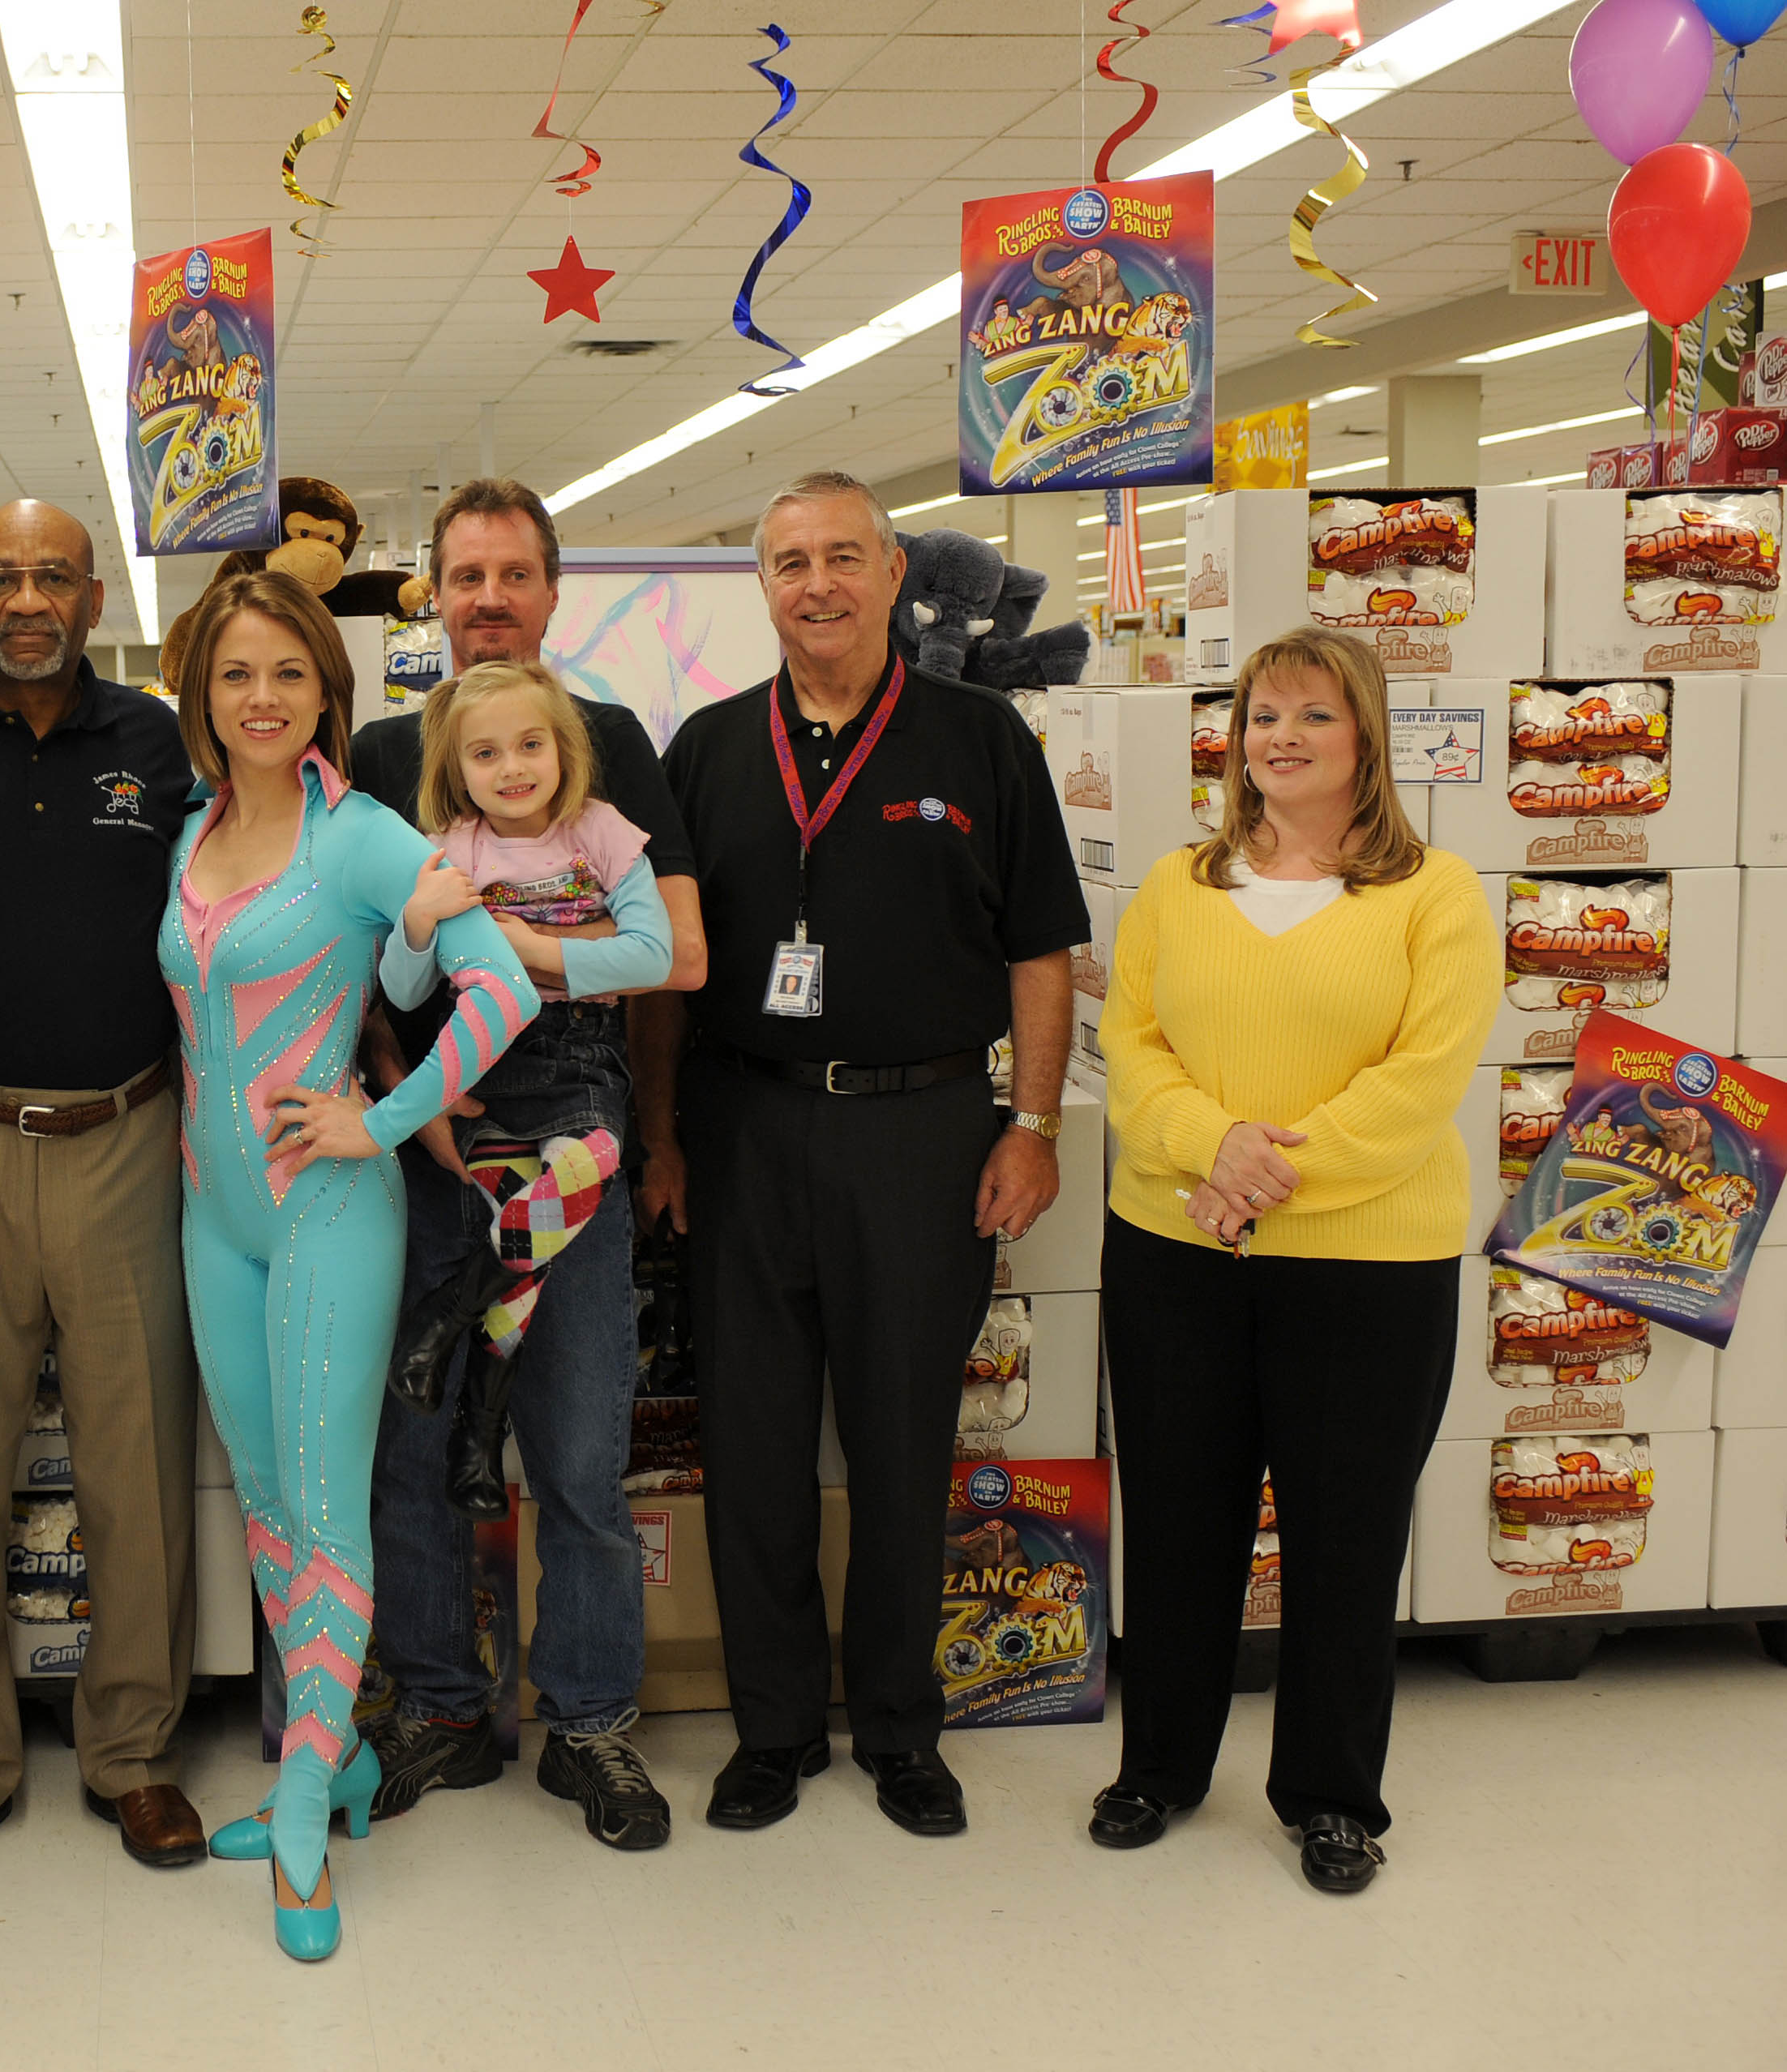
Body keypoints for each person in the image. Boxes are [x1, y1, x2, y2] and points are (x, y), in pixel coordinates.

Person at [635, 470, 1086, 1838]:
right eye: (790, 562)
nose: (817, 583)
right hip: (744, 1126)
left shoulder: (980, 739)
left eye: (843, 556)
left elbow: (1040, 951)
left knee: (902, 1442)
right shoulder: (707, 748)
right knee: (755, 1446)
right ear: (761, 588)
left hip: (923, 1131)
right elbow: (663, 969)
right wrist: (660, 1134)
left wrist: (1034, 1126)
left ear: (896, 574)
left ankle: (900, 1728)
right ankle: (772, 1730)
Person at [162, 568, 537, 1959]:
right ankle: (346, 1756)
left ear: (328, 687)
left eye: (288, 672)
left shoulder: (364, 835)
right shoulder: (196, 830)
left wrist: (376, 1119)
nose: (261, 698)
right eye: (234, 673)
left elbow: (500, 987)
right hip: (213, 1213)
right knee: (266, 1499)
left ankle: (307, 1796)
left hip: (327, 1209)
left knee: (325, 1510)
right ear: (202, 694)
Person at [1091, 627, 1497, 1895]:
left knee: (1343, 1534)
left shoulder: (1436, 894)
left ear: (1365, 736)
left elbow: (1423, 1077)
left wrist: (1264, 1173)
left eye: (1313, 715)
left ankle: (1330, 1796)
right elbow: (1132, 1046)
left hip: (1369, 1265)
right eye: (1262, 716)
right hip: (1176, 1248)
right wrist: (1206, 1147)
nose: (1280, 737)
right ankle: (1158, 1767)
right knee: (1177, 1520)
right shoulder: (1177, 885)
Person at [345, 475, 705, 1851]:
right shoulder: (383, 753)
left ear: (552, 592)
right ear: (429, 594)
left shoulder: (610, 748)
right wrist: (408, 1095)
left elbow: (669, 958)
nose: (488, 598)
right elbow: (364, 966)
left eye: (513, 574)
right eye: (464, 576)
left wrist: (651, 1130)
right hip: (433, 1144)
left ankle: (592, 1723)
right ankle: (442, 1705)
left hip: (577, 1153)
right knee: (418, 1439)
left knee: (576, 1449)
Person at [0, 499, 208, 1881]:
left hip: (128, 1133)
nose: (28, 599)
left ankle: (132, 1753)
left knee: (135, 1466)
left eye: (55, 577)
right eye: (2, 577)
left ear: (93, 599)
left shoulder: (161, 743)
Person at [386, 658, 672, 1525]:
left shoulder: (602, 831)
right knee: (528, 1269)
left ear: (563, 749)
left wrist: (520, 945)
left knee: (591, 1162)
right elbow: (404, 989)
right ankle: (477, 1438)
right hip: (486, 1061)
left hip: (582, 1061)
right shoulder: (451, 851)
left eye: (529, 745)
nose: (510, 768)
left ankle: (444, 1312)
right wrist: (419, 919)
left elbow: (654, 956)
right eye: (484, 754)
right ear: (456, 769)